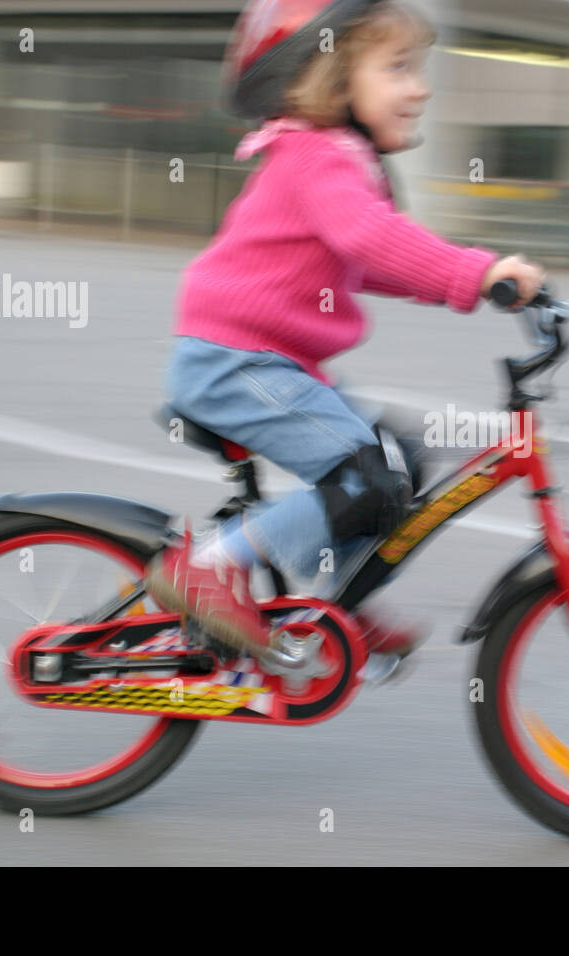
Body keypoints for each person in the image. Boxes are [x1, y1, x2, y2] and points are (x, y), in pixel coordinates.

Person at [145, 0, 546, 661]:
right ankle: (210, 568)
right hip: (234, 363)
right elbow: (371, 239)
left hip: (265, 365)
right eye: (397, 68)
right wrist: (477, 273)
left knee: (401, 460)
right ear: (333, 75)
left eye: (418, 69)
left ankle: (337, 604)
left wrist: (475, 285)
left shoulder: (339, 158)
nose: (420, 87)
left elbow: (365, 260)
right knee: (369, 476)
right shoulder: (317, 157)